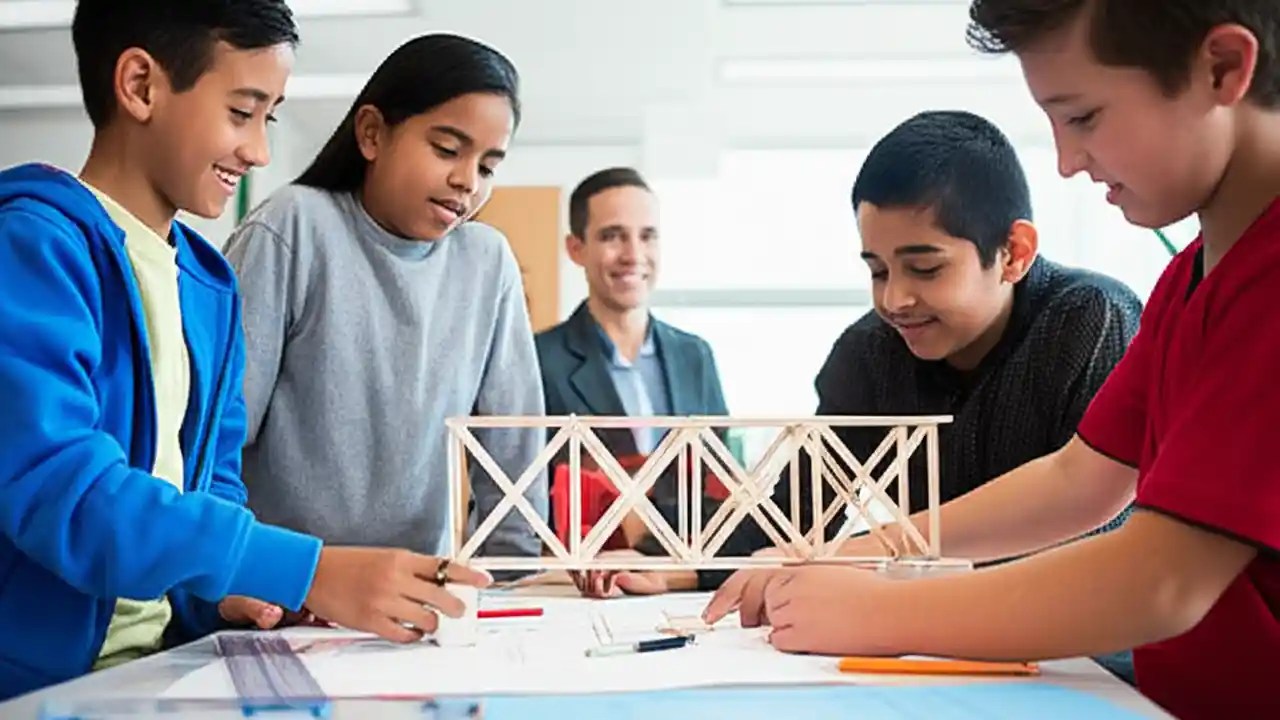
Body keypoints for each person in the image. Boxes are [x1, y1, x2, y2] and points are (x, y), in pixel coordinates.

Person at [704, 3, 1280, 719]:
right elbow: (1080, 479)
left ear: (1222, 68)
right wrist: (860, 551)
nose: (1068, 161)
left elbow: (1164, 578)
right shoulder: (1187, 278)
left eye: (1085, 117)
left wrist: (883, 610)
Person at [0, 2, 488, 702]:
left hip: (160, 673)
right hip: (37, 686)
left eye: (271, 118)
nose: (259, 151)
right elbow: (66, 490)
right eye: (242, 112)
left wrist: (229, 591)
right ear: (140, 85)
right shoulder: (33, 248)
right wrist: (302, 567)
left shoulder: (210, 285)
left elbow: (213, 487)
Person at [580, 112, 1140, 610]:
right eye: (877, 270)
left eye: (925, 269)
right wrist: (676, 562)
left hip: (1082, 642)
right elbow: (795, 514)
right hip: (936, 643)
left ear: (1013, 253)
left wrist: (861, 557)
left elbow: (1085, 516)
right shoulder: (869, 353)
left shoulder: (1093, 321)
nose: (894, 299)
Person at [224, 34, 546, 567]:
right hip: (285, 591)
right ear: (372, 134)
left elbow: (513, 447)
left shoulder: (488, 262)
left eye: (488, 167)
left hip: (415, 598)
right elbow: (221, 435)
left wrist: (512, 579)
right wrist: (238, 574)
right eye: (447, 149)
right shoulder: (294, 226)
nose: (467, 181)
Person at [536, 167, 728, 559]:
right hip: (577, 579)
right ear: (576, 249)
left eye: (647, 236)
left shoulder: (695, 356)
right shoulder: (538, 360)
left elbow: (719, 481)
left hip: (683, 576)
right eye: (612, 236)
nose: (633, 254)